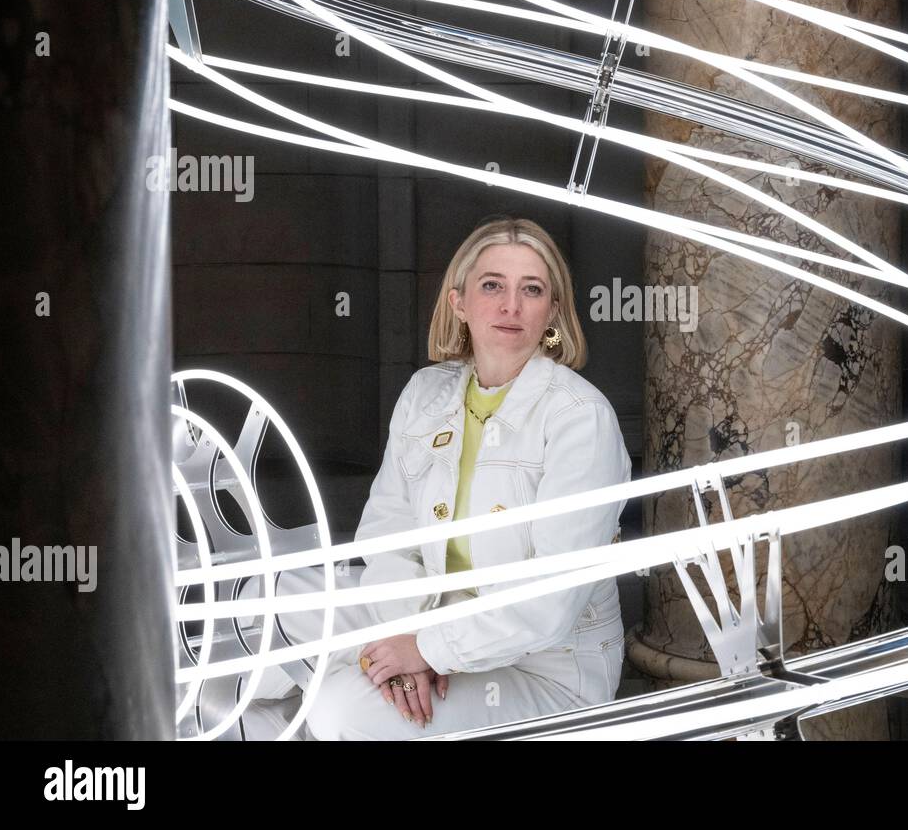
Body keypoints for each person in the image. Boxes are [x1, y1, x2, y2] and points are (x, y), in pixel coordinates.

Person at [243, 216, 632, 740]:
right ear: (459, 303)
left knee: (340, 709)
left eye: (532, 290)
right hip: (427, 616)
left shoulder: (581, 418)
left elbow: (547, 606)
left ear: (553, 313)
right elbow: (389, 534)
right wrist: (404, 636)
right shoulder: (427, 394)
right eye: (492, 285)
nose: (510, 306)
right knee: (266, 612)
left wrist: (427, 650)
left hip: (543, 669)